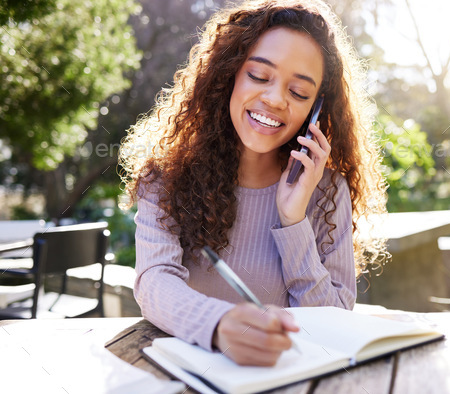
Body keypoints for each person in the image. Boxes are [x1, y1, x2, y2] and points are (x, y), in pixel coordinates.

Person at [119, 0, 387, 366]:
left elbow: (336, 318)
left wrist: (294, 223)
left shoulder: (326, 191)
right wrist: (219, 324)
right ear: (228, 74)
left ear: (316, 110)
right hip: (193, 376)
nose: (275, 99)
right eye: (259, 76)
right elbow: (154, 282)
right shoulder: (167, 175)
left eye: (299, 93)